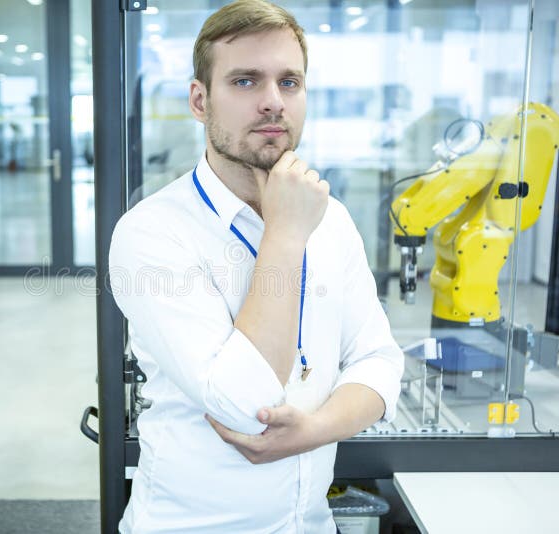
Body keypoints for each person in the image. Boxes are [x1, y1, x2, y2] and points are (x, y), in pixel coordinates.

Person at [108, 1, 404, 532]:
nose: (273, 102)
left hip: (310, 522)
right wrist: (286, 235)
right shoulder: (152, 233)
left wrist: (312, 430)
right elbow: (244, 405)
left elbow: (380, 363)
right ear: (200, 100)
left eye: (289, 82)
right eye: (245, 81)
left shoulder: (331, 218)